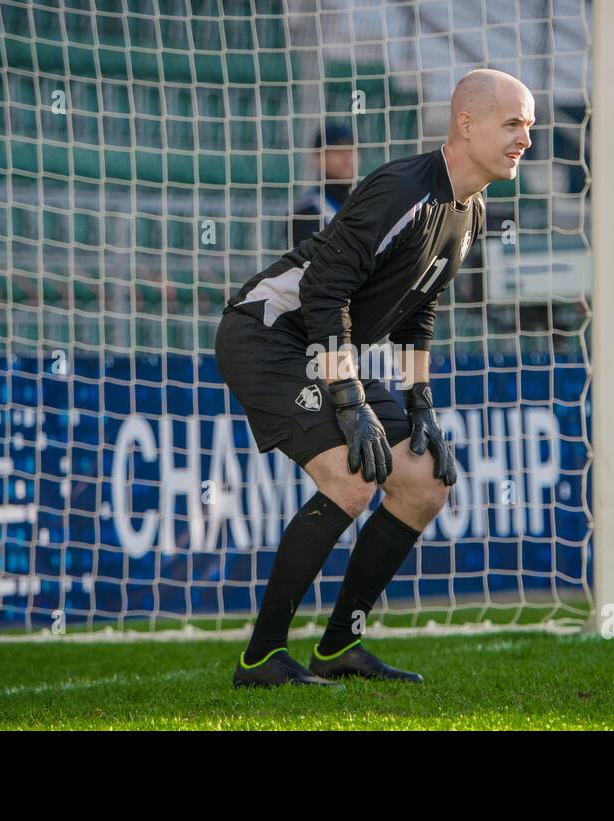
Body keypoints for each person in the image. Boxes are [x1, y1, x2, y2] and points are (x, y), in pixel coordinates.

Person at [215, 68, 535, 687]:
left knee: (424, 483)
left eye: (530, 126)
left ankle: (339, 646)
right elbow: (322, 289)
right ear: (466, 125)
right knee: (351, 477)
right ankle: (262, 657)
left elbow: (420, 307)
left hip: (321, 344)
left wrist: (421, 404)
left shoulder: (469, 211)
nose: (526, 139)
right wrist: (349, 398)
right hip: (267, 333)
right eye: (514, 123)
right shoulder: (403, 189)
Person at [291, 124, 357, 250]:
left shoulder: (360, 204)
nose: (348, 158)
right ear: (319, 158)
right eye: (338, 150)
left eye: (352, 149)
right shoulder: (306, 213)